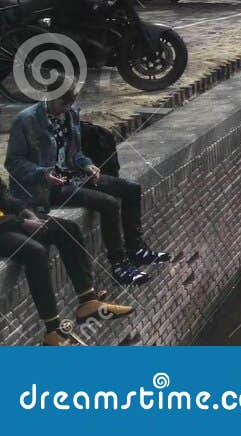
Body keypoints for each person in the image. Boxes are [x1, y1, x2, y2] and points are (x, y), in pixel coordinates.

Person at [5, 90, 171, 286]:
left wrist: (87, 164)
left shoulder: (70, 113)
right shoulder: (26, 120)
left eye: (70, 105)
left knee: (131, 188)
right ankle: (119, 265)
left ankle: (136, 249)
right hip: (45, 186)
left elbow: (75, 153)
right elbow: (13, 162)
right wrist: (42, 173)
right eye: (62, 105)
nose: (66, 110)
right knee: (108, 203)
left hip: (72, 176)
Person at [0, 179, 134, 345]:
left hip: (9, 221)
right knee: (35, 252)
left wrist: (25, 212)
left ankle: (88, 302)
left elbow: (3, 195)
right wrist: (21, 223)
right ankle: (53, 332)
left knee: (68, 229)